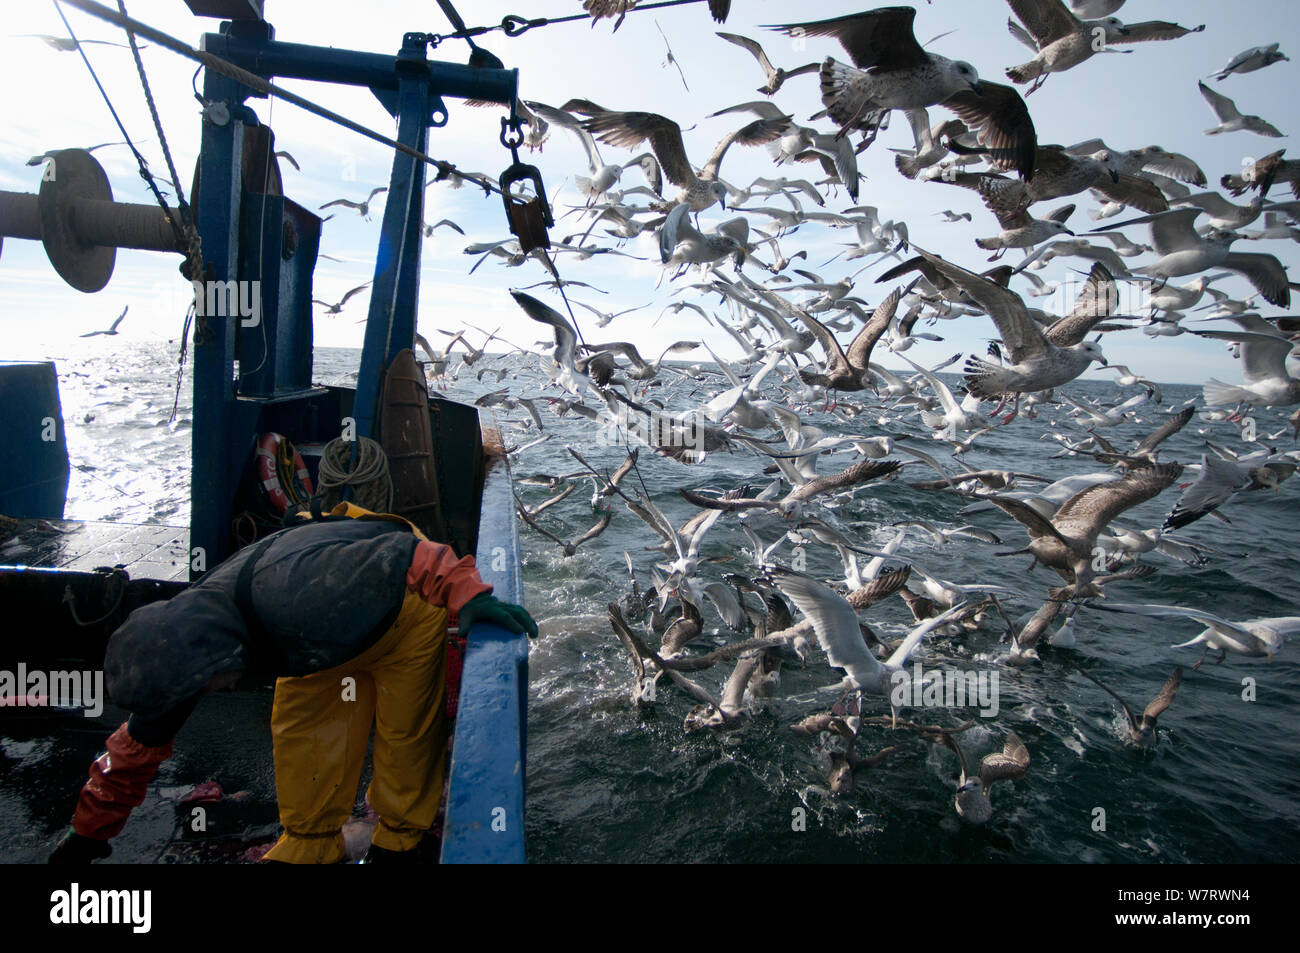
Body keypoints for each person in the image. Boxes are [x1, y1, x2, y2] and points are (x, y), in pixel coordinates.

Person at [47, 503, 537, 864]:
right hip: (313, 647)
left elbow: (413, 554)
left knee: (405, 738)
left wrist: (468, 596)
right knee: (307, 752)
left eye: (213, 687)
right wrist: (86, 836)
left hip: (398, 609)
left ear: (226, 663)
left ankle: (401, 840)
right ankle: (309, 845)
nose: (212, 695)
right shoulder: (180, 653)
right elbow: (134, 750)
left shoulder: (294, 590)